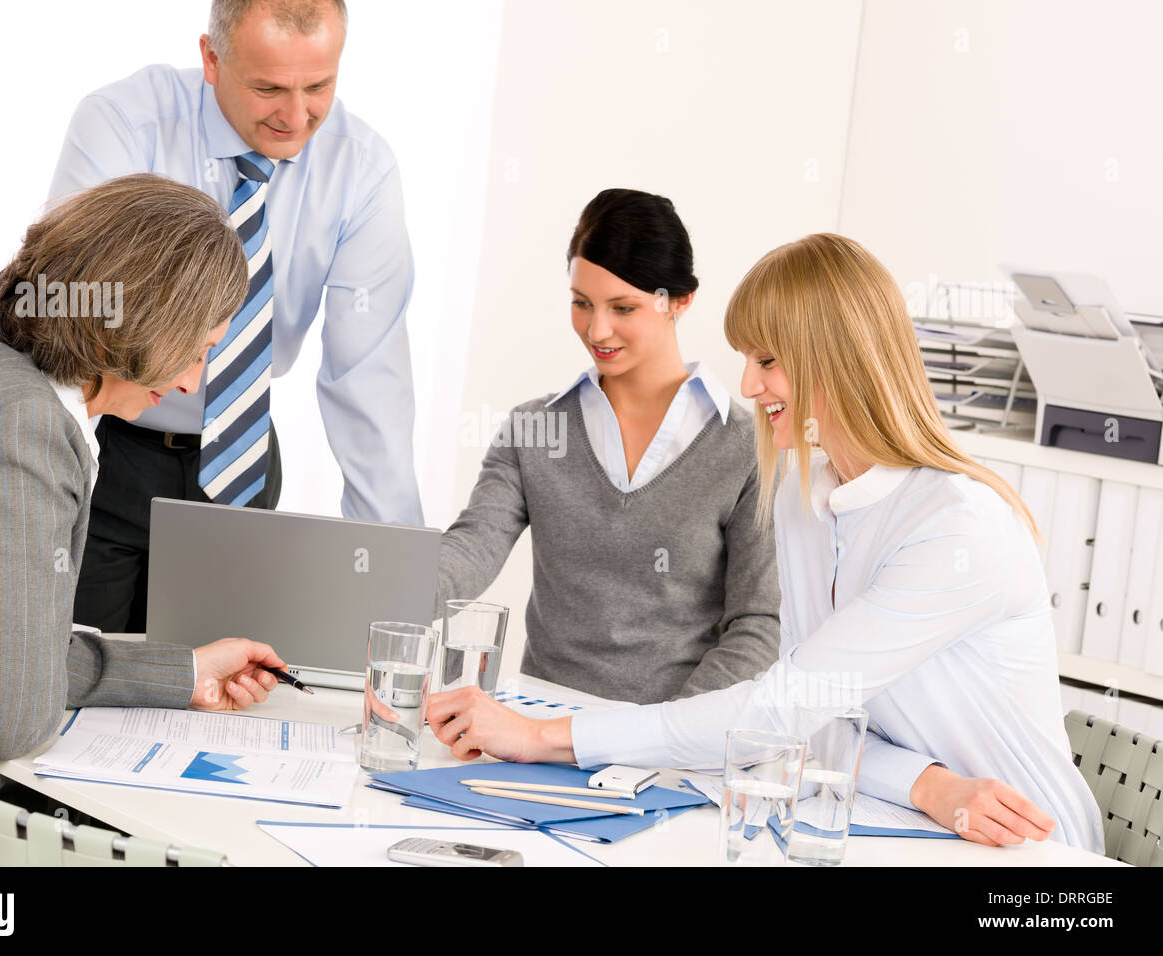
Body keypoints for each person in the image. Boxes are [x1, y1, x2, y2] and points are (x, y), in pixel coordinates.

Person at [426, 233, 1106, 853]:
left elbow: (776, 710)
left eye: (769, 361)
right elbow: (810, 723)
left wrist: (543, 737)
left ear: (837, 361)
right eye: (747, 361)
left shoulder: (956, 527)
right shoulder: (803, 496)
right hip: (899, 817)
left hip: (1031, 845)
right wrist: (928, 784)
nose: (749, 386)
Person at [0, 175, 289, 867]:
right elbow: (8, 723)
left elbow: (18, 656)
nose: (190, 383)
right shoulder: (21, 428)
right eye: (195, 349)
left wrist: (185, 671)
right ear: (131, 324)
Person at [49, 0, 425, 633]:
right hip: (114, 455)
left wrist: (395, 590)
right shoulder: (125, 124)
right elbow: (70, 314)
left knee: (217, 690)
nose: (296, 115)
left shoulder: (360, 169)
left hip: (245, 461)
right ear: (211, 58)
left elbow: (370, 382)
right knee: (78, 676)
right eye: (269, 87)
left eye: (319, 87)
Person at [436, 189, 779, 704]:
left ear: (679, 301)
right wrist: (383, 590)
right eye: (581, 303)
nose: (597, 330)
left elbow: (757, 624)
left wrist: (663, 735)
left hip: (668, 751)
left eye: (623, 307)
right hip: (535, 729)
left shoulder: (748, 449)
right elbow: (471, 546)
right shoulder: (534, 428)